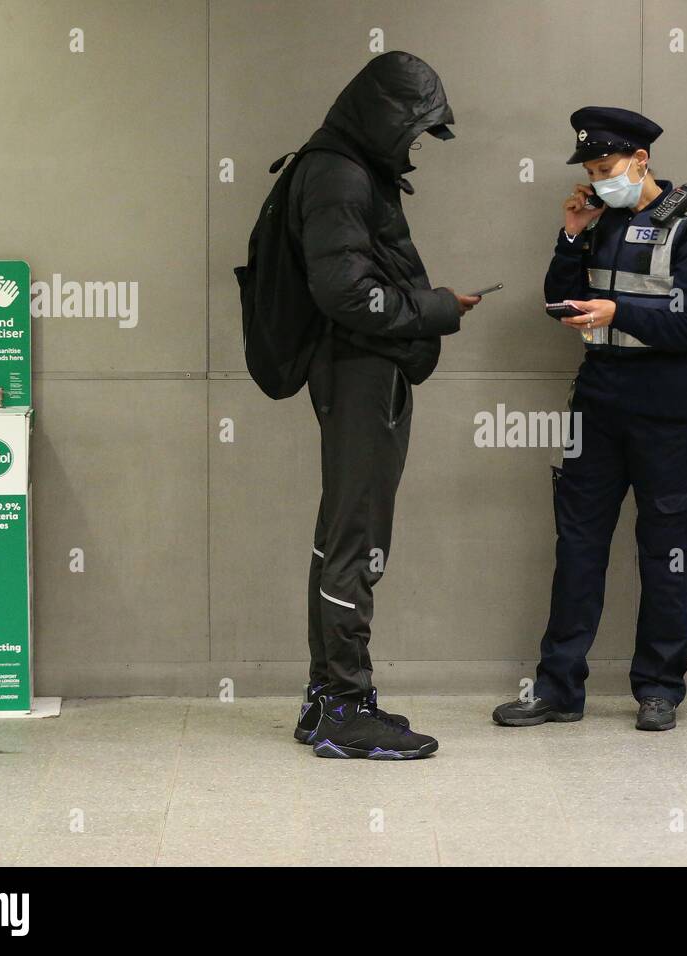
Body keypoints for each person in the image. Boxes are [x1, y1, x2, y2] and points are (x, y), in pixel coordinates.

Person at [493, 107, 687, 732]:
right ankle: (558, 689)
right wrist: (572, 234)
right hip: (597, 403)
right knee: (578, 547)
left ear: (639, 161)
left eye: (605, 168)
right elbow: (556, 302)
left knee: (666, 551)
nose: (598, 181)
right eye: (591, 171)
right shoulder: (597, 219)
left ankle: (659, 689)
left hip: (667, 409)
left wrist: (614, 311)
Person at [289, 51, 481, 759]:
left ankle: (327, 700)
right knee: (357, 539)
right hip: (362, 372)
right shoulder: (339, 173)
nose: (415, 147)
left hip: (359, 370)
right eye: (415, 131)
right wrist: (434, 308)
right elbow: (344, 294)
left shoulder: (343, 166)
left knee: (339, 533)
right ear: (384, 116)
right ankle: (344, 705)